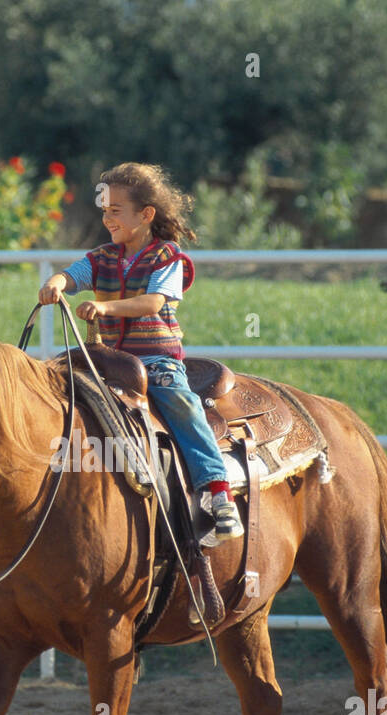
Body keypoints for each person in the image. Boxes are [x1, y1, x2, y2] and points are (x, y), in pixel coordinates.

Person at [38, 161, 244, 543]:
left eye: (116, 211)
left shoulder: (167, 256)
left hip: (155, 359)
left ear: (145, 214)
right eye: (105, 211)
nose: (107, 219)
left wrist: (105, 307)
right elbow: (74, 274)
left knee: (180, 403)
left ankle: (218, 492)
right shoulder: (101, 257)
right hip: (107, 362)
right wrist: (56, 281)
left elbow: (152, 303)